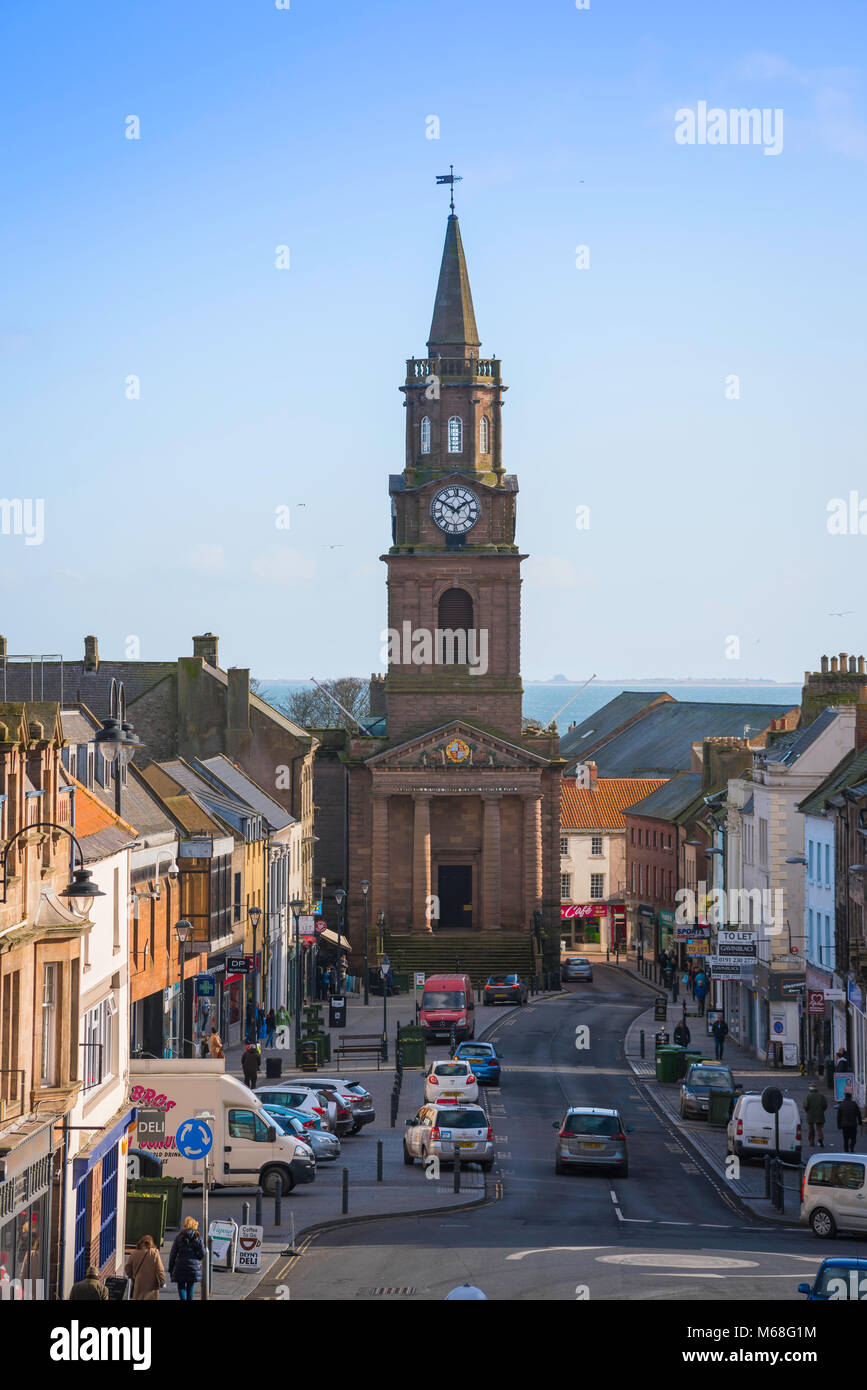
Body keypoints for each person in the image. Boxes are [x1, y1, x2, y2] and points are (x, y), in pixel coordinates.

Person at [168, 1216, 206, 1302]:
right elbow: (203, 1253)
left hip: (180, 1266)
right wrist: (197, 1259)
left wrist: (171, 1268)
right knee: (190, 1287)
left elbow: (173, 1254)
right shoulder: (198, 1237)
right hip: (193, 1267)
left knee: (181, 1286)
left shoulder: (179, 1237)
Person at [124, 1233, 166, 1301]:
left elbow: (127, 1268)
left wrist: (133, 1276)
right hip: (152, 1287)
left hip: (138, 1284)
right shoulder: (154, 1253)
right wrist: (162, 1282)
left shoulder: (134, 1253)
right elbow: (160, 1270)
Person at [804, 1083, 828, 1148]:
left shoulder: (808, 1096)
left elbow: (805, 1106)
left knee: (811, 1129)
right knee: (819, 1128)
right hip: (820, 1114)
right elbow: (825, 1105)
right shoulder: (821, 1096)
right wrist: (821, 1110)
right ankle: (820, 1138)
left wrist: (807, 1111)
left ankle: (811, 1141)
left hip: (810, 1115)